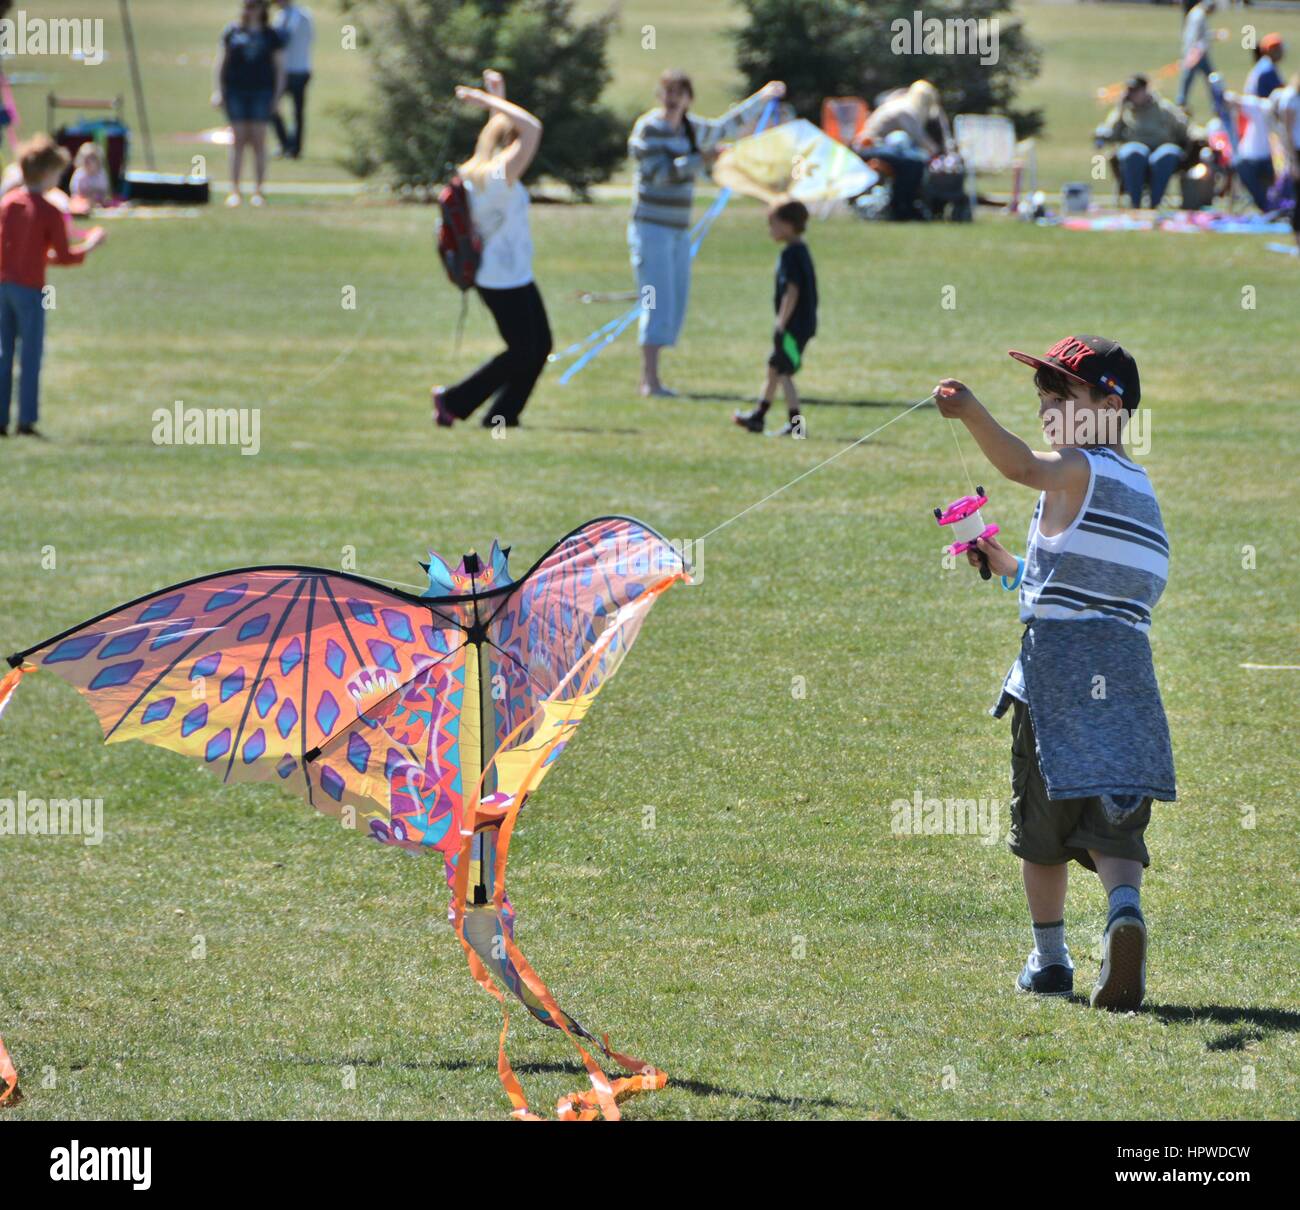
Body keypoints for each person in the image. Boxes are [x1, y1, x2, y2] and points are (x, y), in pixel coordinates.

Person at [933, 335, 1174, 1010]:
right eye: (1042, 394)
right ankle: (1124, 908)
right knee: (1115, 813)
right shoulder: (1137, 485)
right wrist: (1007, 562)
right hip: (1127, 672)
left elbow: (1017, 467)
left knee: (1041, 822)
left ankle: (1049, 960)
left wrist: (971, 410)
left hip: (1057, 671)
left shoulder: (1076, 467)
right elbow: (1083, 583)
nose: (1045, 406)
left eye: (1061, 394)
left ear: (1109, 405)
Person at [628, 71, 785, 397]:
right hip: (651, 228)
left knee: (675, 300)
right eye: (667, 91)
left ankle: (655, 379)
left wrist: (764, 97)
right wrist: (701, 159)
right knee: (655, 301)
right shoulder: (649, 129)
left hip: (678, 230)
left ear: (688, 98)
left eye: (679, 93)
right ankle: (650, 381)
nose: (672, 98)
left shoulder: (691, 127)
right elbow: (658, 174)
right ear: (659, 94)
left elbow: (726, 127)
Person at [432, 70, 549, 430]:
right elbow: (533, 128)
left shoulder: (479, 171)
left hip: (512, 273)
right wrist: (486, 101)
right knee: (523, 351)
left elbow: (508, 130)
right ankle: (453, 400)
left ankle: (502, 415)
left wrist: (496, 95)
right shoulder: (500, 175)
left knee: (539, 345)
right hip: (502, 277)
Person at [0, 136, 105, 438]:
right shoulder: (48, 211)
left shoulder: (9, 203)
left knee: (4, 354)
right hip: (32, 290)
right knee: (30, 355)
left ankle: (1, 418)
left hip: (3, 286)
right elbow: (65, 256)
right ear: (46, 173)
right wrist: (92, 244)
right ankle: (26, 421)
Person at [734, 199, 816, 438]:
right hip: (799, 324)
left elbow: (793, 290)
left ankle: (796, 426)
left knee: (783, 373)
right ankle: (758, 417)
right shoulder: (800, 249)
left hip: (793, 325)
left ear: (788, 226)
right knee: (774, 368)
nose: (770, 230)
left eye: (773, 224)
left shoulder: (792, 254)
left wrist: (781, 322)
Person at [211, 0, 285, 208]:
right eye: (246, 5)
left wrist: (277, 97)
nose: (248, 9)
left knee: (259, 141)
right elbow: (220, 63)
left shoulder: (271, 35)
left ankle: (258, 191)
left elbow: (279, 69)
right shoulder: (232, 32)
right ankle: (234, 191)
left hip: (262, 92)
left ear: (262, 9)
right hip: (236, 91)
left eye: (253, 5)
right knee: (238, 140)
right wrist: (218, 91)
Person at [857, 81, 952, 221]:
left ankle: (906, 206)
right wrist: (938, 153)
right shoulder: (906, 110)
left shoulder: (901, 105)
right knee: (911, 164)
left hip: (882, 149)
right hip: (869, 148)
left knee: (912, 163)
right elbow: (919, 137)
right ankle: (901, 207)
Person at [1096, 75, 1191, 208]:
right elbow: (1110, 132)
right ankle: (1135, 203)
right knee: (1134, 153)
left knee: (1167, 154)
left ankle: (1154, 204)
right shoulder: (1125, 110)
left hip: (1161, 147)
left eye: (1136, 91)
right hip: (1135, 147)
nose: (1133, 95)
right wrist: (1120, 109)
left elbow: (1184, 129)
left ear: (1146, 90)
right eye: (1130, 91)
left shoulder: (1164, 108)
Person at [270, 0, 313, 158]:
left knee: (297, 112)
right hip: (285, 71)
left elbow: (284, 39)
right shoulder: (281, 15)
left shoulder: (299, 15)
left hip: (297, 70)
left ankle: (294, 148)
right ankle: (286, 143)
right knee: (272, 107)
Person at [1223, 87, 1277, 211]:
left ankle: (1280, 205)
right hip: (1250, 158)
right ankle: (1266, 207)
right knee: (1241, 166)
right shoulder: (1262, 107)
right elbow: (1230, 99)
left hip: (1270, 159)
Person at [1177, 0, 1218, 112]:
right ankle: (1216, 102)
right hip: (1197, 53)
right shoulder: (1199, 16)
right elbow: (1196, 36)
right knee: (1211, 78)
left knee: (1189, 78)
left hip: (1194, 52)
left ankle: (1181, 101)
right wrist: (1195, 52)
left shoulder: (1196, 13)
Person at [69, 143, 111, 207]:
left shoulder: (101, 173)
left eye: (92, 158)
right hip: (81, 202)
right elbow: (75, 192)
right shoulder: (79, 174)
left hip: (99, 201)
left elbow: (105, 191)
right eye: (85, 158)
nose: (87, 161)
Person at [1246, 33, 1284, 99]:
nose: (1280, 51)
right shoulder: (1268, 69)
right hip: (1260, 107)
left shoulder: (1264, 64)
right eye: (1276, 48)